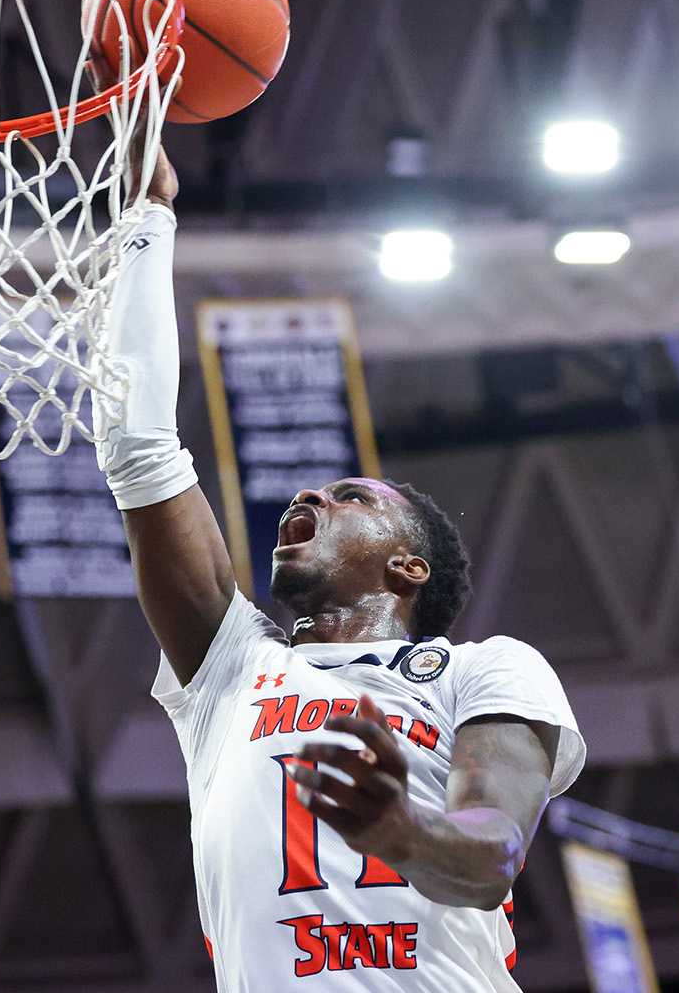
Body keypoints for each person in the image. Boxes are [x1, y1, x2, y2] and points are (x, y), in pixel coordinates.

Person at [95, 146, 585, 989]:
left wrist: (401, 832)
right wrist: (146, 219)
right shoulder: (233, 669)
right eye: (316, 492)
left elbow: (494, 852)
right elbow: (139, 451)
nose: (311, 495)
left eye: (350, 496)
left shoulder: (482, 670)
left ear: (409, 565)